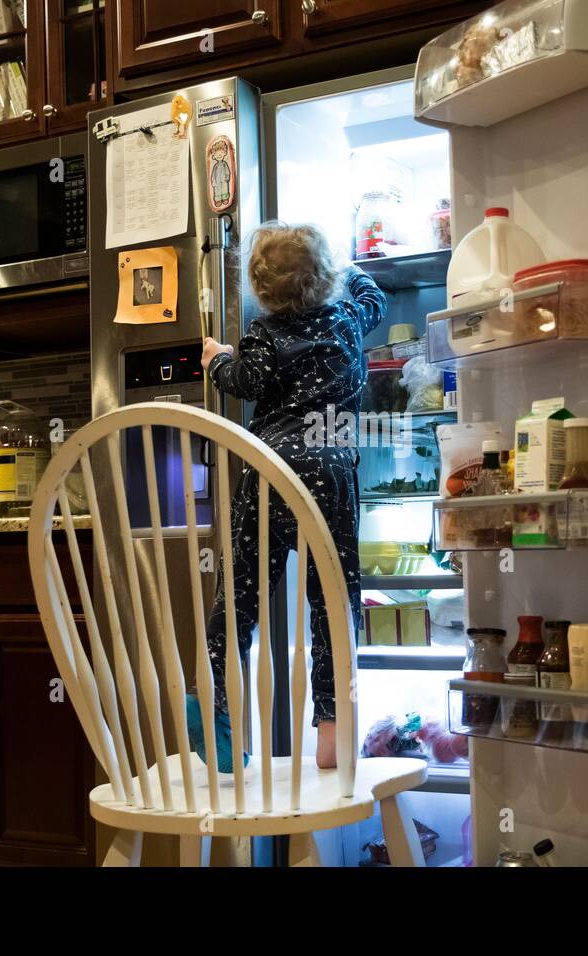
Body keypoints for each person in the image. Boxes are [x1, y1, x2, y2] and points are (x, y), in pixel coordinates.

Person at [193, 222, 386, 771]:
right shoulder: (349, 318)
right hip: (330, 475)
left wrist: (214, 358)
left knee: (239, 602)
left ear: (259, 290)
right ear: (327, 278)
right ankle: (331, 730)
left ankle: (218, 720)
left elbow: (243, 382)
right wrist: (342, 269)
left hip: (270, 472)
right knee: (332, 606)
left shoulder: (263, 335)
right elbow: (371, 291)